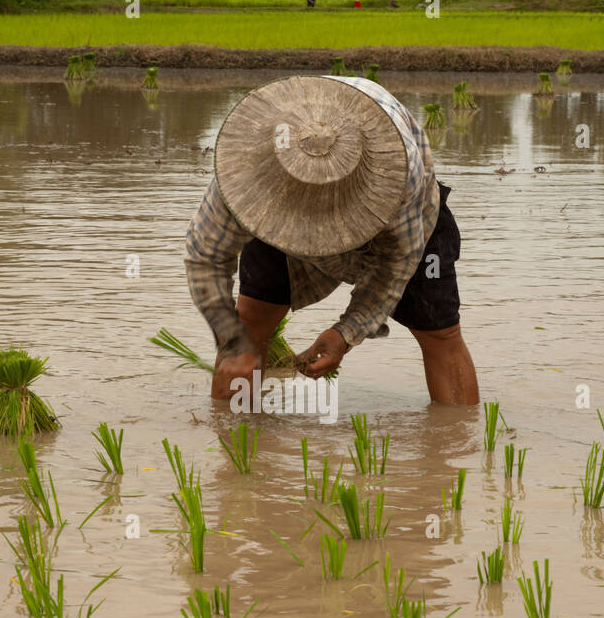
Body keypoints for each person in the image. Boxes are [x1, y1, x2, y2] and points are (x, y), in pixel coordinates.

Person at [184, 74, 479, 406]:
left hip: (399, 219)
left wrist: (345, 333)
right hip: (273, 211)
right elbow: (203, 256)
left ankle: (459, 443)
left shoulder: (398, 175)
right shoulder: (245, 174)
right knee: (249, 325)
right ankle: (236, 445)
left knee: (440, 333)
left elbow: (394, 268)